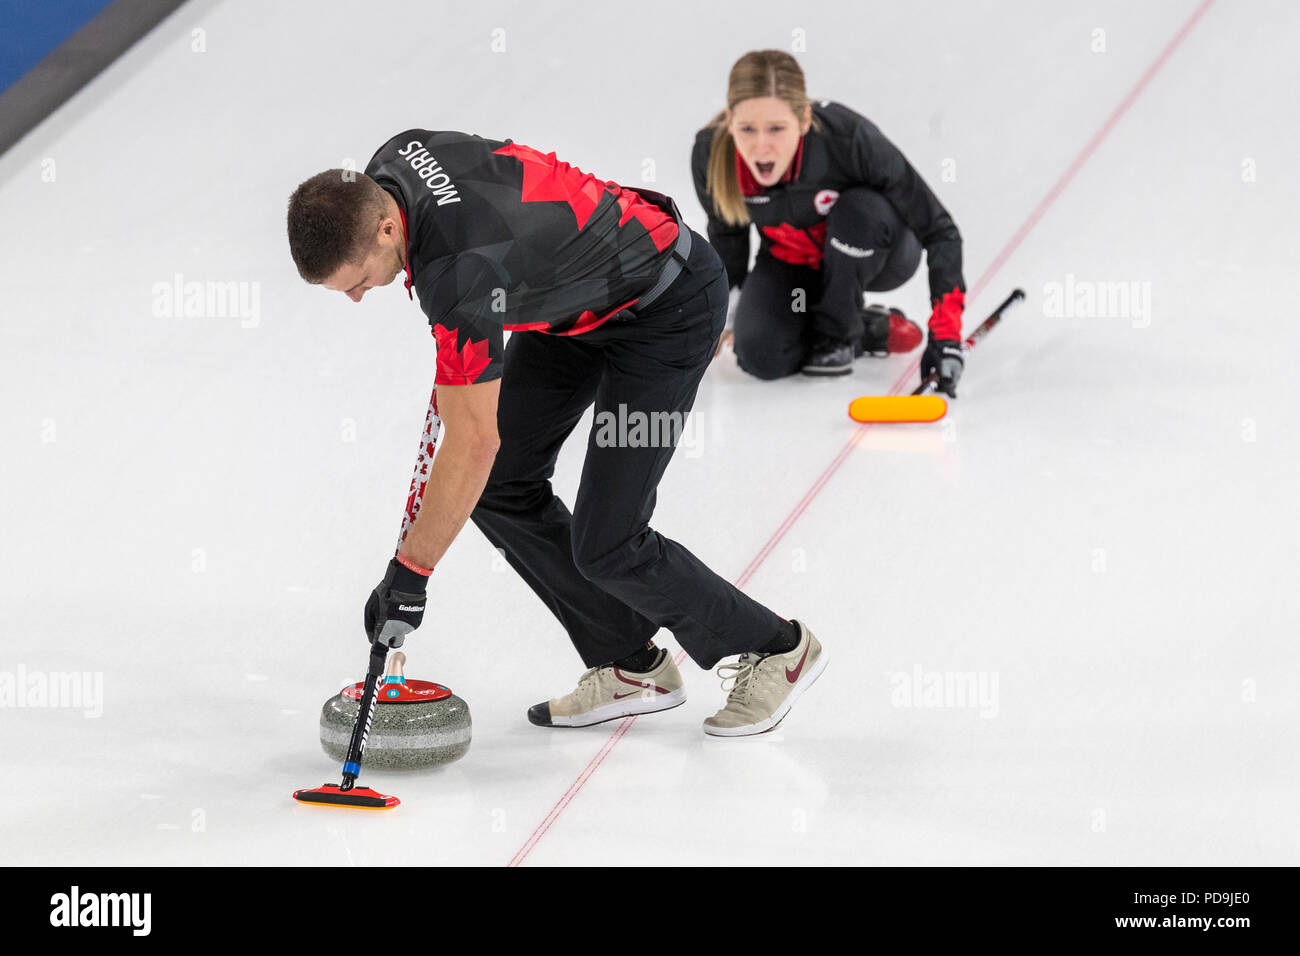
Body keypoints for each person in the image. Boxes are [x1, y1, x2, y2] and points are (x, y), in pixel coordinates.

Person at [286, 130, 827, 737]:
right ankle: (630, 662)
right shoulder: (394, 160)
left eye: (357, 280)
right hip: (571, 306)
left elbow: (472, 441)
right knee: (498, 487)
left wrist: (410, 575)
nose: (359, 297)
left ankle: (778, 648)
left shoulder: (459, 275)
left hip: (667, 309)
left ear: (387, 229)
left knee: (610, 542)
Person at [692, 50, 968, 391]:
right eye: (747, 129)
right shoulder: (711, 153)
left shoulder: (848, 139)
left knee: (858, 213)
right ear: (730, 121)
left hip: (877, 250)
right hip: (796, 265)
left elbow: (941, 230)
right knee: (760, 355)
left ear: (804, 120)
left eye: (777, 128)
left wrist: (946, 334)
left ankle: (839, 331)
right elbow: (726, 237)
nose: (761, 147)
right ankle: (864, 329)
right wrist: (727, 316)